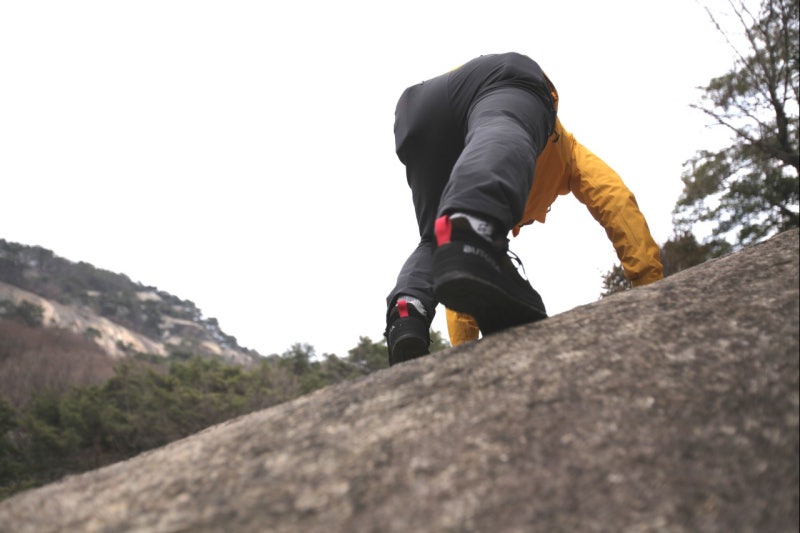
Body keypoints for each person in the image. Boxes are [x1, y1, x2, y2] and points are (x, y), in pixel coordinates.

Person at [384, 52, 664, 366]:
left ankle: (408, 310)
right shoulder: (570, 154)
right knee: (504, 128)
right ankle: (474, 227)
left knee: (438, 238)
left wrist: (466, 353)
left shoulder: (476, 191)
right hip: (501, 81)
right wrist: (650, 288)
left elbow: (459, 268)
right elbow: (617, 201)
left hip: (418, 110)